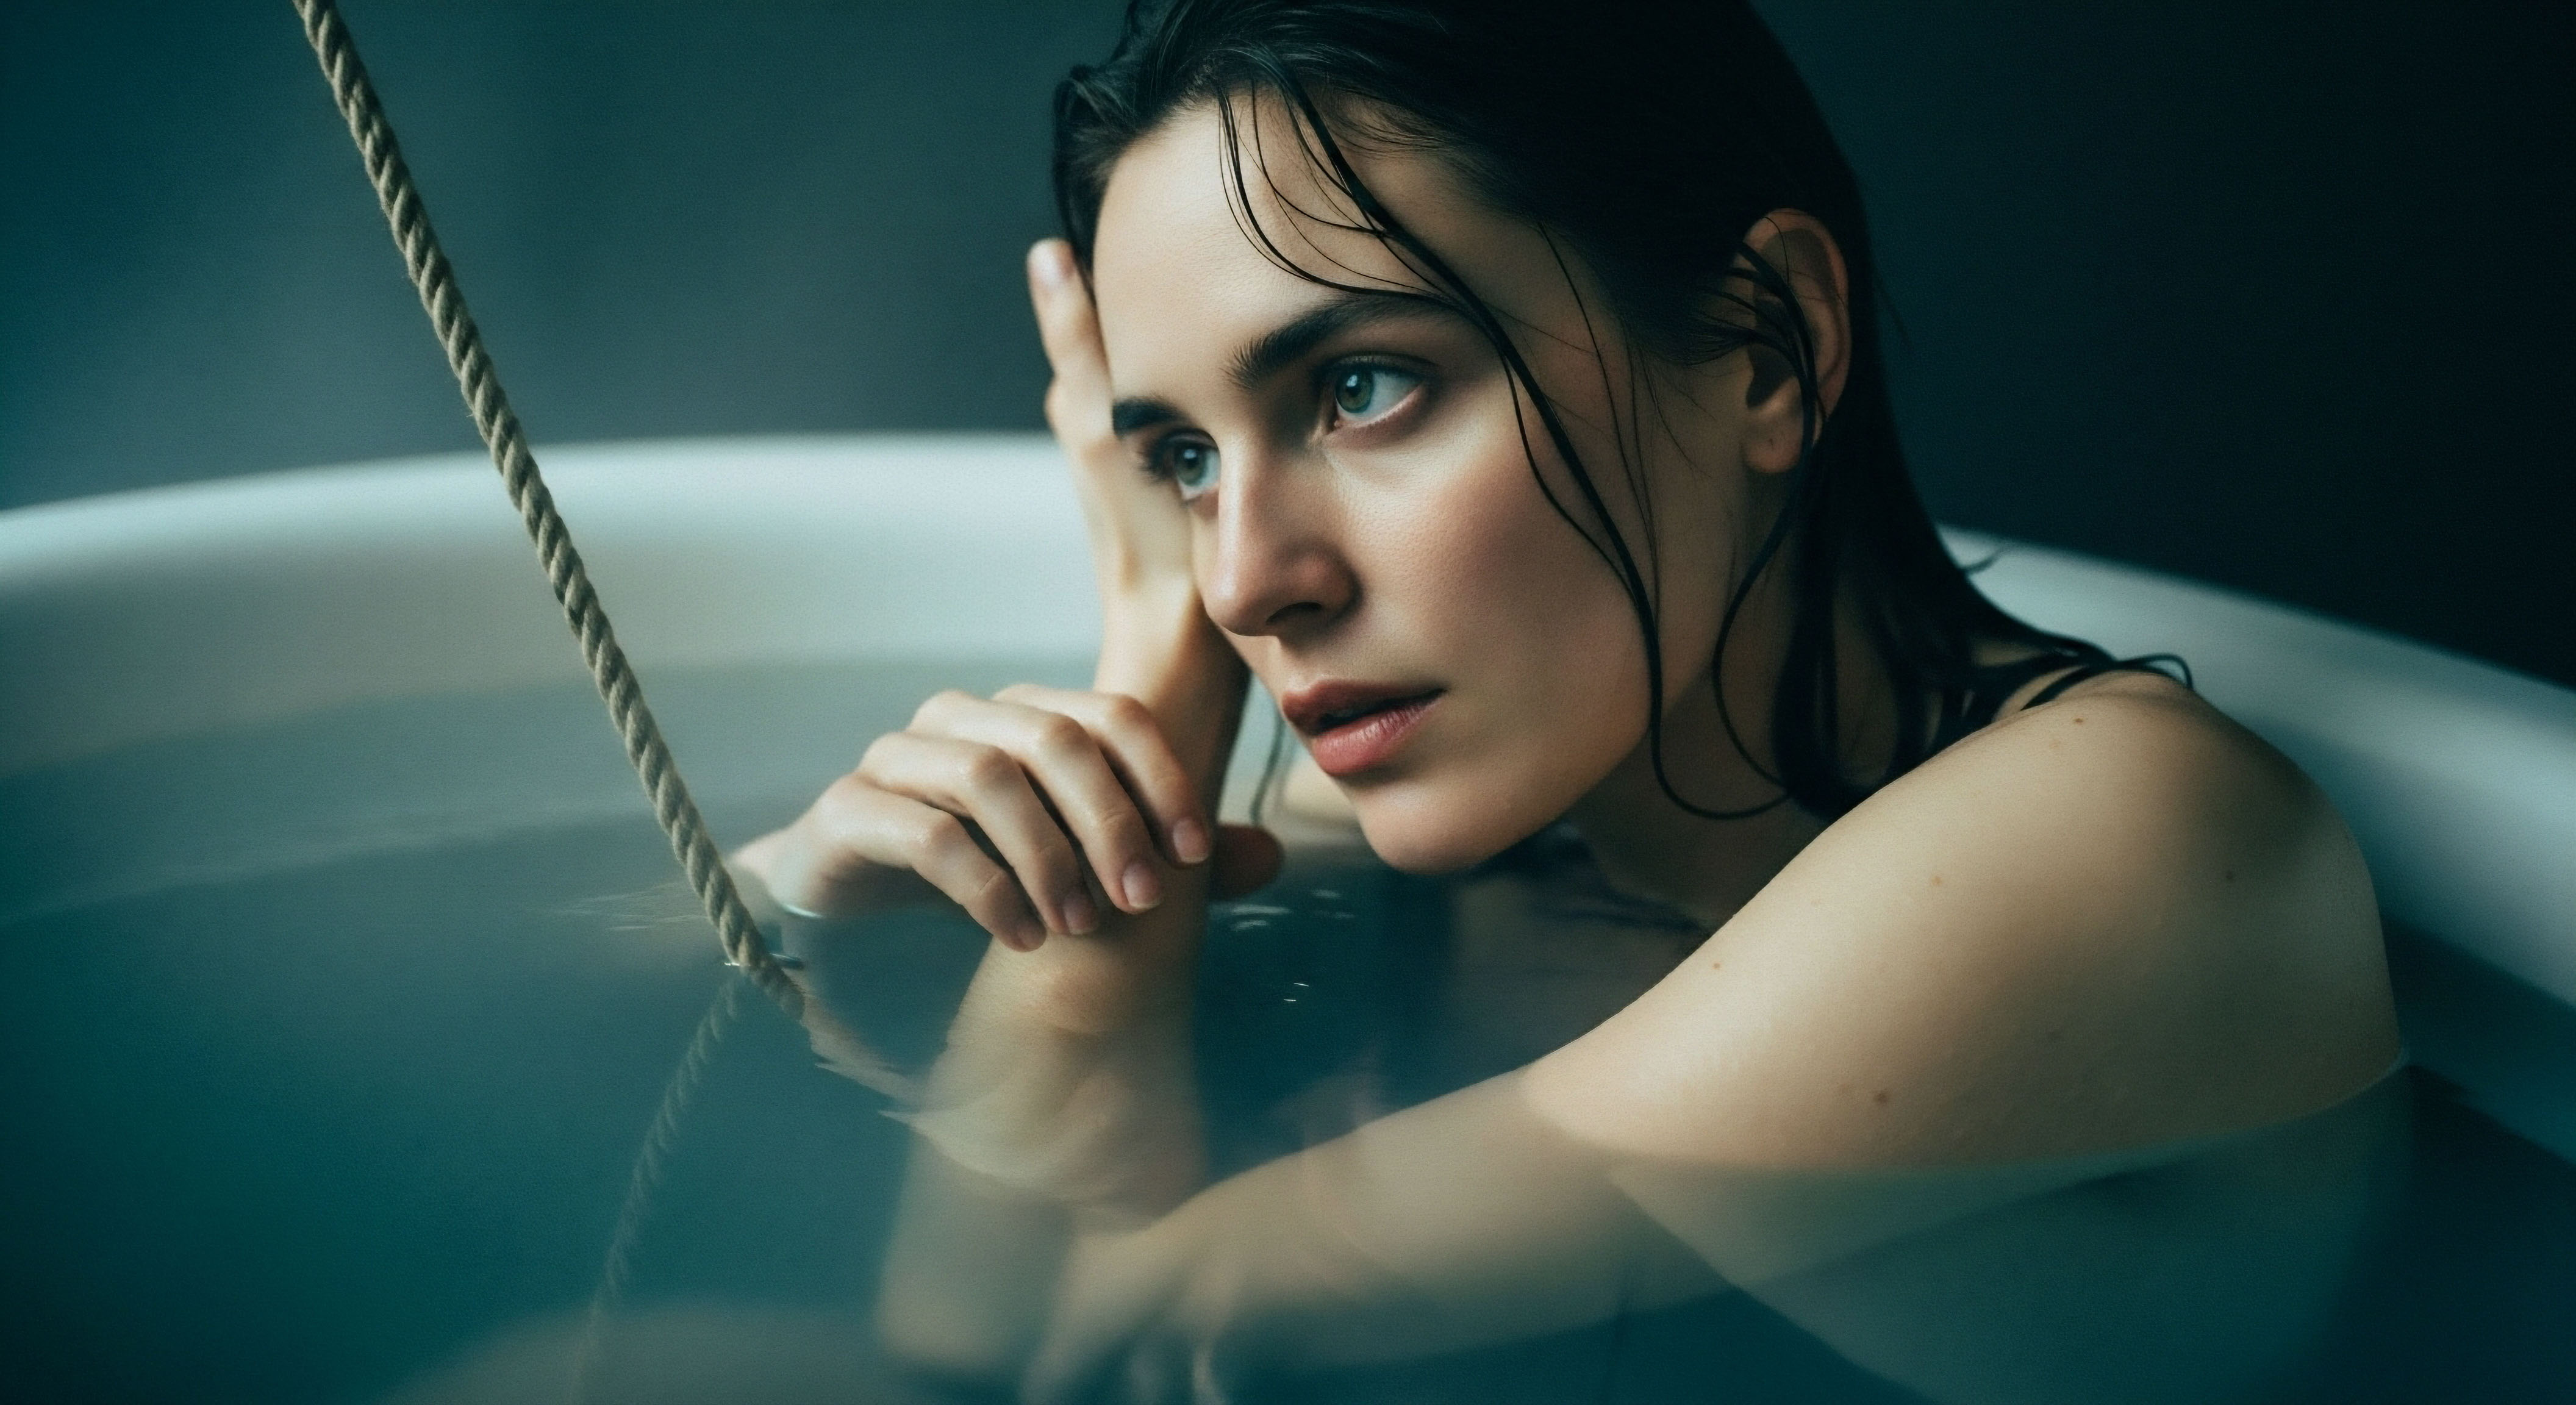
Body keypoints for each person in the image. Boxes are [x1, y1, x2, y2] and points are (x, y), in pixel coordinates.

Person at [731, 1, 2403, 1398]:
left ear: (1766, 346)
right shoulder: (1487, 820)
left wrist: (1157, 688)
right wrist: (1151, 656)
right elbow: (949, 1343)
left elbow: (1076, 1334)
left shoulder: (2133, 830)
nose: (1249, 577)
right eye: (1178, 454)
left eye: (1364, 387)